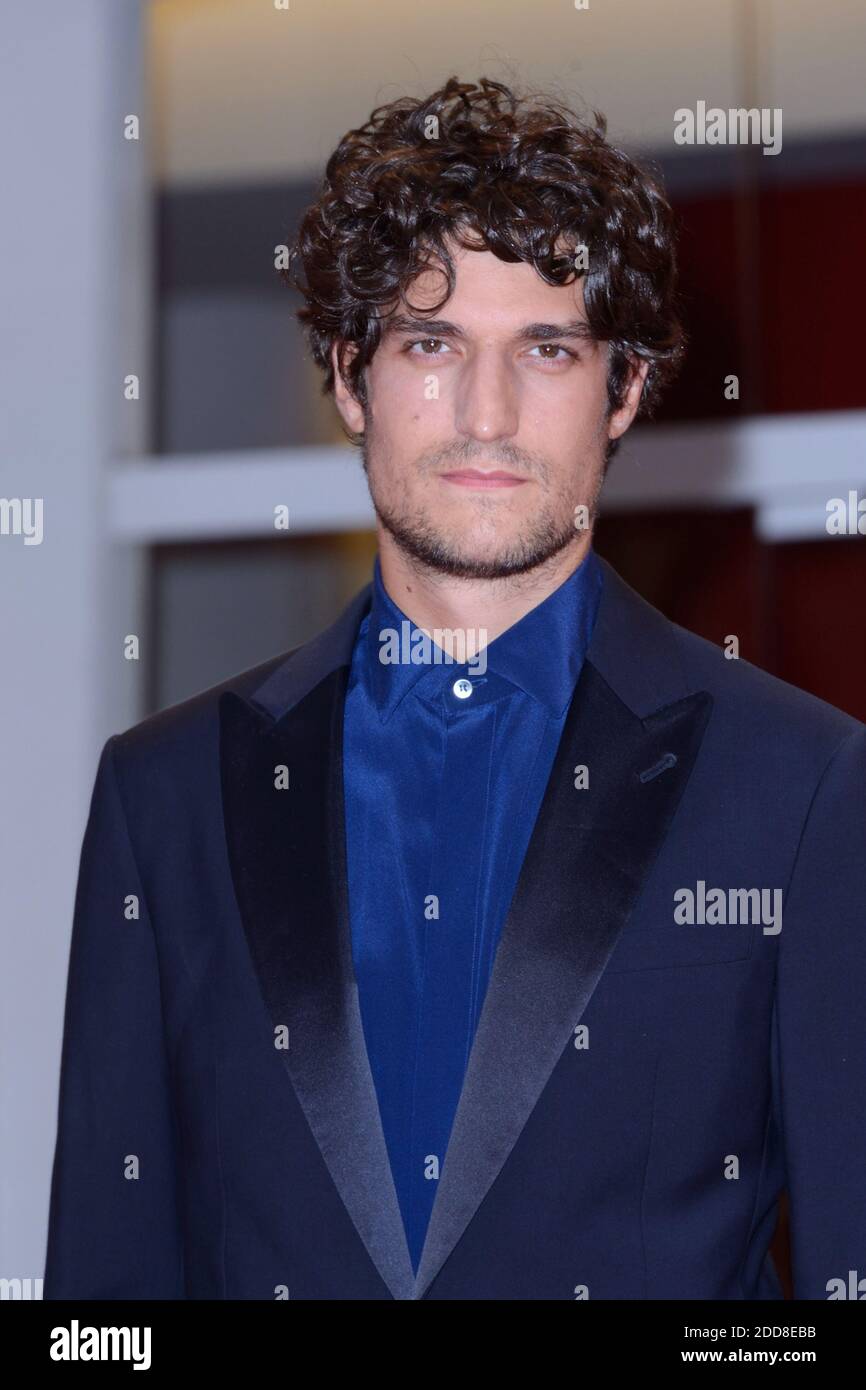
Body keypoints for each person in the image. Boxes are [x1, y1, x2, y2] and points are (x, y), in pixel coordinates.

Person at [44, 76, 866, 1300]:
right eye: (431, 344)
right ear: (347, 376)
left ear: (625, 390)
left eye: (545, 349)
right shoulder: (159, 801)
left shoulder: (801, 785)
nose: (485, 414)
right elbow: (103, 1308)